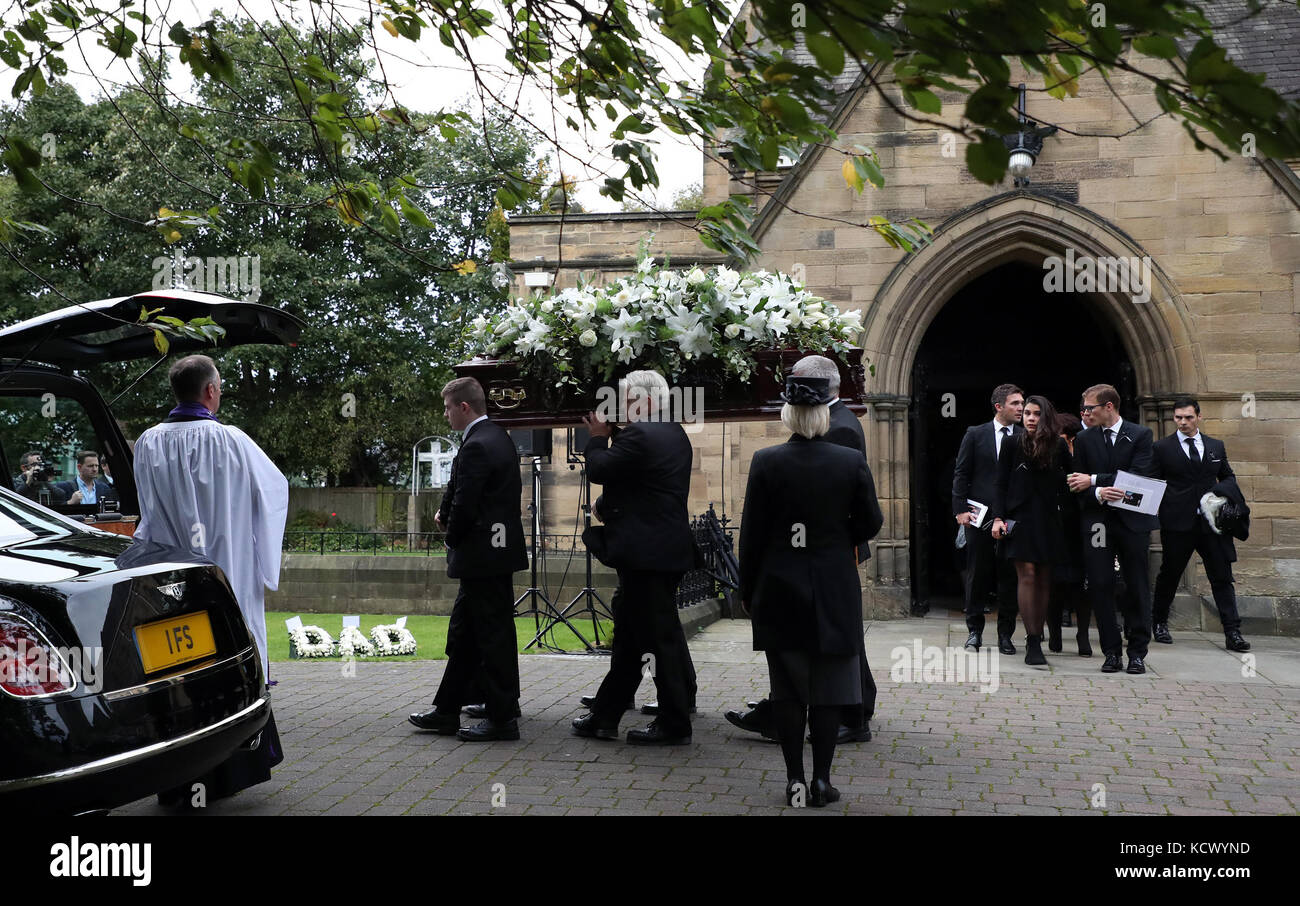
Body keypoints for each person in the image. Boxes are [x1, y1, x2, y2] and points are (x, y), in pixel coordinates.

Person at [133, 354, 289, 804]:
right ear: (210, 391)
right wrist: (257, 553)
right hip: (226, 575)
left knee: (178, 671)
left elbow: (149, 510)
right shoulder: (232, 441)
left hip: (172, 581)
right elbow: (273, 493)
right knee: (230, 659)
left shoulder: (147, 443)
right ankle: (233, 766)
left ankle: (178, 778)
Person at [739, 374, 883, 806]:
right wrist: (838, 538)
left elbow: (752, 535)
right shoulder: (847, 461)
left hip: (781, 586)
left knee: (788, 689)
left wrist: (748, 590)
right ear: (823, 413)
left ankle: (795, 781)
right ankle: (822, 780)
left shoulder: (766, 461)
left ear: (788, 415)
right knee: (829, 691)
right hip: (834, 585)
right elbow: (871, 522)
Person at [571, 370, 697, 745]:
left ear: (642, 401)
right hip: (659, 551)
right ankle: (605, 716)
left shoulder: (643, 433)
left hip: (648, 555)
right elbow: (640, 487)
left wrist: (596, 439)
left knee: (660, 641)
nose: (618, 408)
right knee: (631, 636)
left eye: (624, 400)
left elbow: (599, 469)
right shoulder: (672, 431)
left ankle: (674, 723)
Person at [409, 376, 528, 741]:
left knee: (491, 634)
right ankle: (448, 710)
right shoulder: (497, 437)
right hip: (496, 554)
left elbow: (467, 499)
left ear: (464, 407)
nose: (445, 415)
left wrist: (451, 535)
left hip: (482, 556)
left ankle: (502, 717)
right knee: (466, 634)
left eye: (447, 408)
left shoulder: (478, 444)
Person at [1067, 383, 1159, 674]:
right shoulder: (1083, 439)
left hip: (1132, 522)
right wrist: (1097, 492)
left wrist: (1094, 481)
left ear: (1109, 407)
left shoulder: (1140, 435)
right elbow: (1075, 484)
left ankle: (1137, 652)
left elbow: (1136, 476)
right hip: (1098, 522)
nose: (1085, 413)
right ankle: (1111, 652)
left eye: (1089, 408)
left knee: (1136, 585)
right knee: (1100, 583)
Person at [1149, 397, 1251, 652]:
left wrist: (1218, 493)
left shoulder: (1216, 446)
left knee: (1221, 577)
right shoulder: (1162, 448)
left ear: (1199, 417)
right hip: (1178, 522)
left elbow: (1228, 476)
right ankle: (1159, 622)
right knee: (1170, 575)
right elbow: (1153, 482)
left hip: (1212, 524)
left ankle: (1232, 632)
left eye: (1188, 417)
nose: (1183, 422)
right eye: (1178, 418)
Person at [990, 396, 1072, 666]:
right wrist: (998, 518)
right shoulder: (1012, 443)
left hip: (1049, 519)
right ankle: (1032, 640)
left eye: (1036, 414)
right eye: (1027, 413)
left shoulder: (1058, 445)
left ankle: (1038, 633)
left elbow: (1070, 482)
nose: (1030, 418)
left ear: (1045, 416)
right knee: (1027, 575)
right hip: (1020, 518)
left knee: (1044, 579)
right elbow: (1000, 484)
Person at [952, 384, 1024, 653]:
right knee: (977, 572)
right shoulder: (976, 434)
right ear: (999, 406)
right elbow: (961, 473)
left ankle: (1006, 634)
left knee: (1009, 575)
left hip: (1012, 515)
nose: (1020, 408)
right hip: (979, 514)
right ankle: (974, 631)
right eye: (1015, 403)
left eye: (1022, 403)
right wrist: (960, 509)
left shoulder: (1024, 435)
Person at [1046, 413, 1091, 656]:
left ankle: (1083, 634)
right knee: (1055, 585)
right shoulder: (1053, 459)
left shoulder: (1084, 456)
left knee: (1082, 586)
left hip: (1081, 529)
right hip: (1056, 528)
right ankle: (1054, 633)